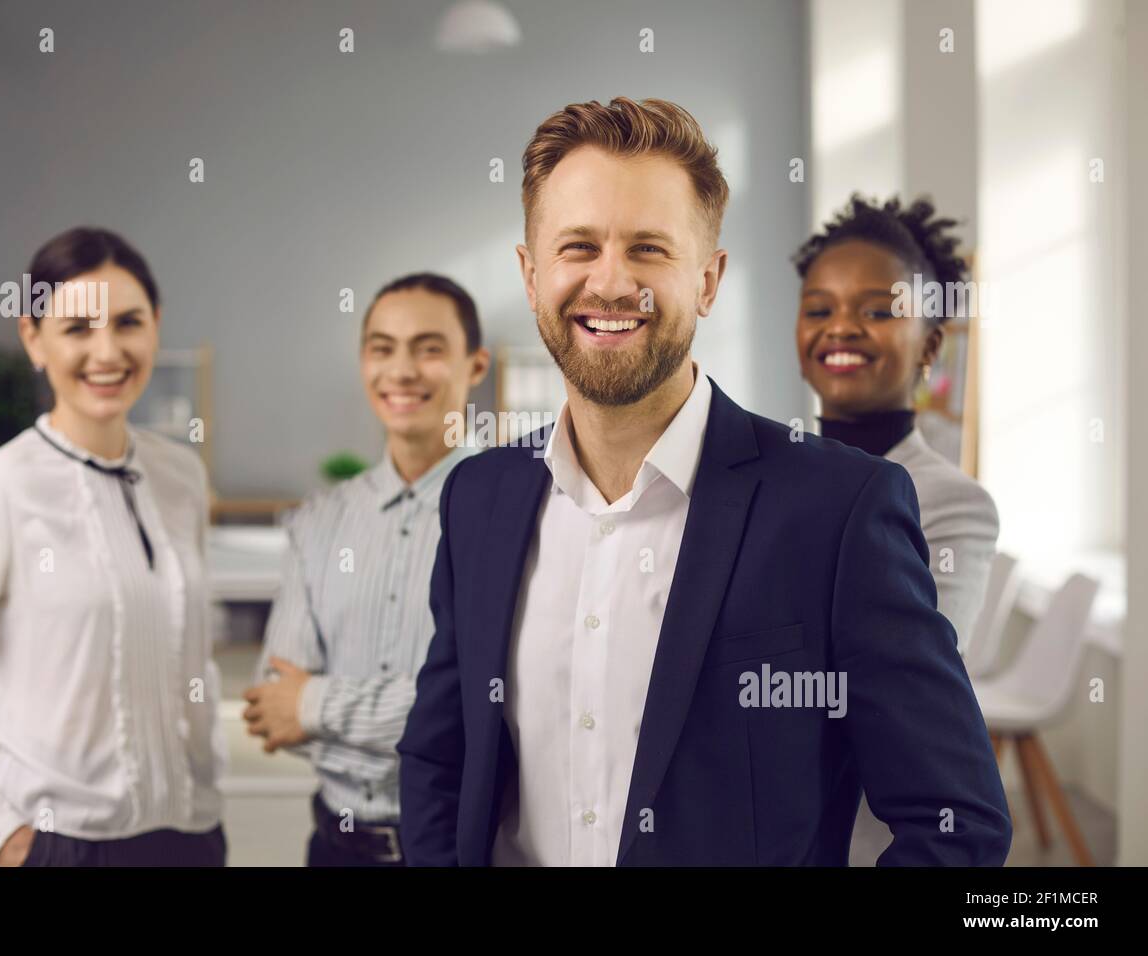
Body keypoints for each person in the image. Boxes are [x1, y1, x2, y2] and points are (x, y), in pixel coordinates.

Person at [398, 97, 1011, 866]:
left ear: (709, 280)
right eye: (578, 246)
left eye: (649, 249)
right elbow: (438, 758)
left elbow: (957, 821)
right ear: (530, 274)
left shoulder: (839, 508)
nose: (611, 282)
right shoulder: (480, 497)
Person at [0, 227, 228, 866]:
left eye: (128, 322)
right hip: (57, 847)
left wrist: (208, 790)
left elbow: (192, 664)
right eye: (77, 329)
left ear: (155, 325)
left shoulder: (183, 477)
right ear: (33, 340)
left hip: (190, 839)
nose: (108, 351)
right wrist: (8, 842)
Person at [242, 273, 490, 866]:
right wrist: (407, 715)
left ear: (474, 365)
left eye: (429, 349)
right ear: (364, 364)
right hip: (333, 849)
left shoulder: (509, 512)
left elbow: (485, 710)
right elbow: (273, 704)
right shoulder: (318, 522)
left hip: (460, 847)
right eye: (382, 348)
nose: (401, 371)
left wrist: (316, 706)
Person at [793, 194, 999, 652]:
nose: (841, 328)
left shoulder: (954, 504)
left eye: (879, 311)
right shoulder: (770, 475)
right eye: (819, 310)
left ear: (929, 347)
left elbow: (909, 673)